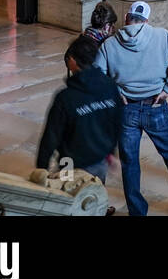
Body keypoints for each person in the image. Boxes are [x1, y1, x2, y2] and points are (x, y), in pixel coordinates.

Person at [95, 1, 168, 216]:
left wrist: (117, 92)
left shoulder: (109, 45)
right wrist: (167, 88)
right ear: (146, 21)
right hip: (156, 105)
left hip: (126, 111)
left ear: (126, 18)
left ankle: (137, 210)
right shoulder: (161, 36)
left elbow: (96, 76)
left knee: (130, 162)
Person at [34, 35, 123, 186]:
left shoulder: (66, 97)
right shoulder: (110, 86)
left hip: (68, 161)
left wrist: (41, 169)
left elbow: (51, 136)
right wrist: (111, 152)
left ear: (73, 61)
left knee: (67, 195)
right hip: (100, 159)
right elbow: (117, 122)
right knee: (94, 194)